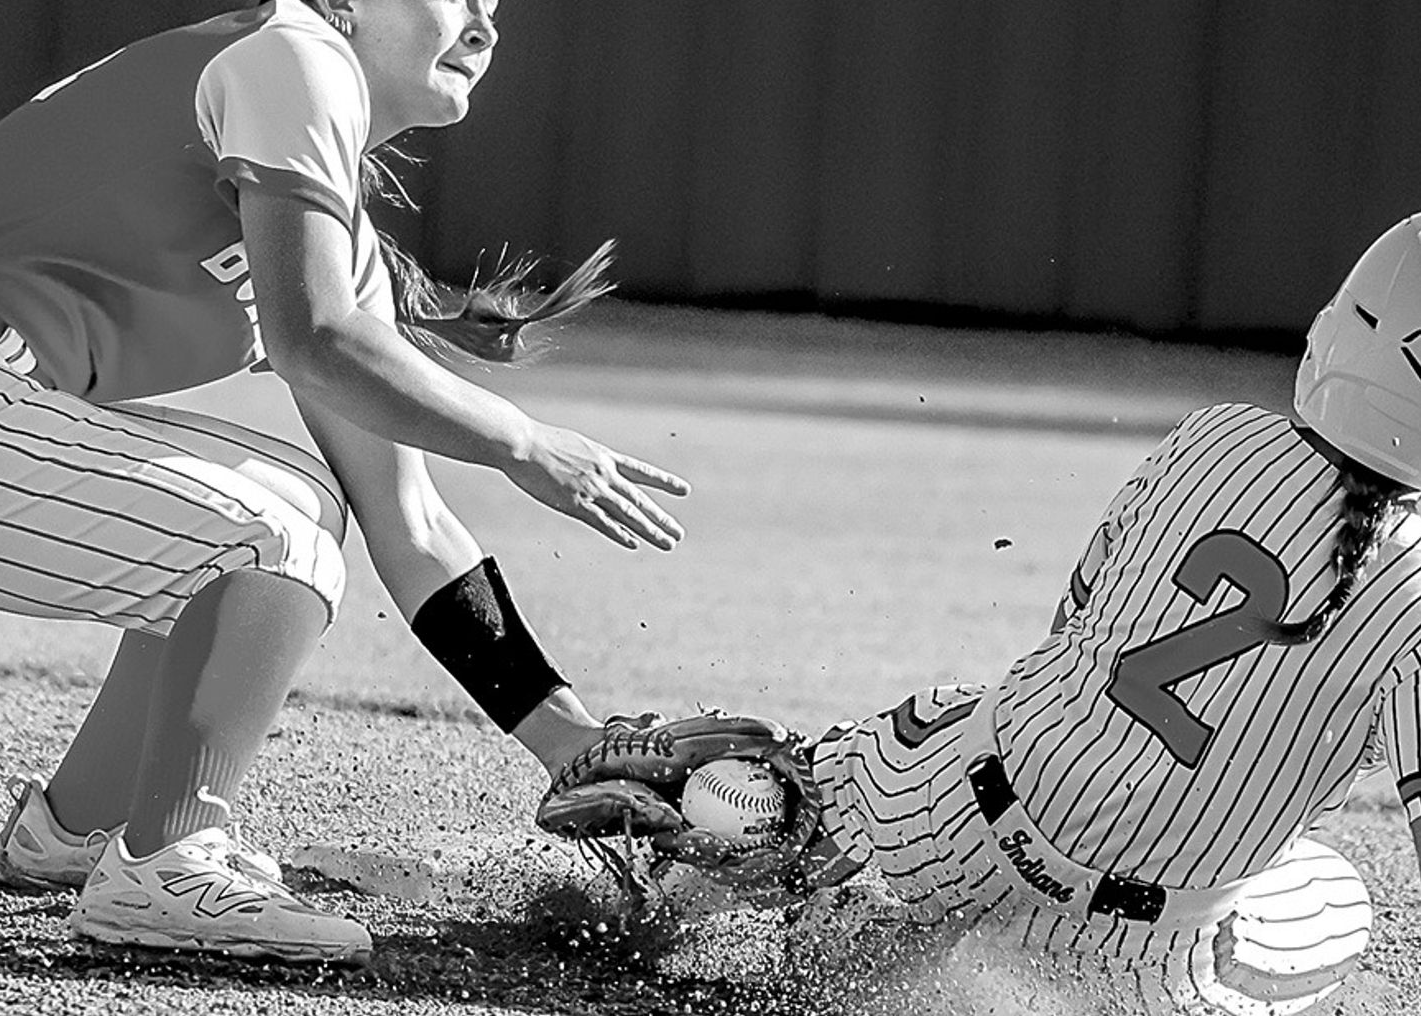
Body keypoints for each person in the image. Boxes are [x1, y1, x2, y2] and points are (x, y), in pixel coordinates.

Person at [0, 0, 691, 964]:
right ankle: (169, 861)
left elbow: (410, 525)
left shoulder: (330, 228)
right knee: (270, 525)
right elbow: (317, 339)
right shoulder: (291, 55)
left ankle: (75, 830)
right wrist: (522, 440)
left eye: (496, 1)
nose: (486, 23)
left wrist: (571, 741)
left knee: (285, 517)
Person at [544, 215, 1421, 1015]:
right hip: (1129, 955)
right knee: (1334, 898)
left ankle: (771, 820)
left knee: (968, 714)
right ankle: (938, 983)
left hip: (949, 806)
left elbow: (1073, 625)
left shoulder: (1212, 434)